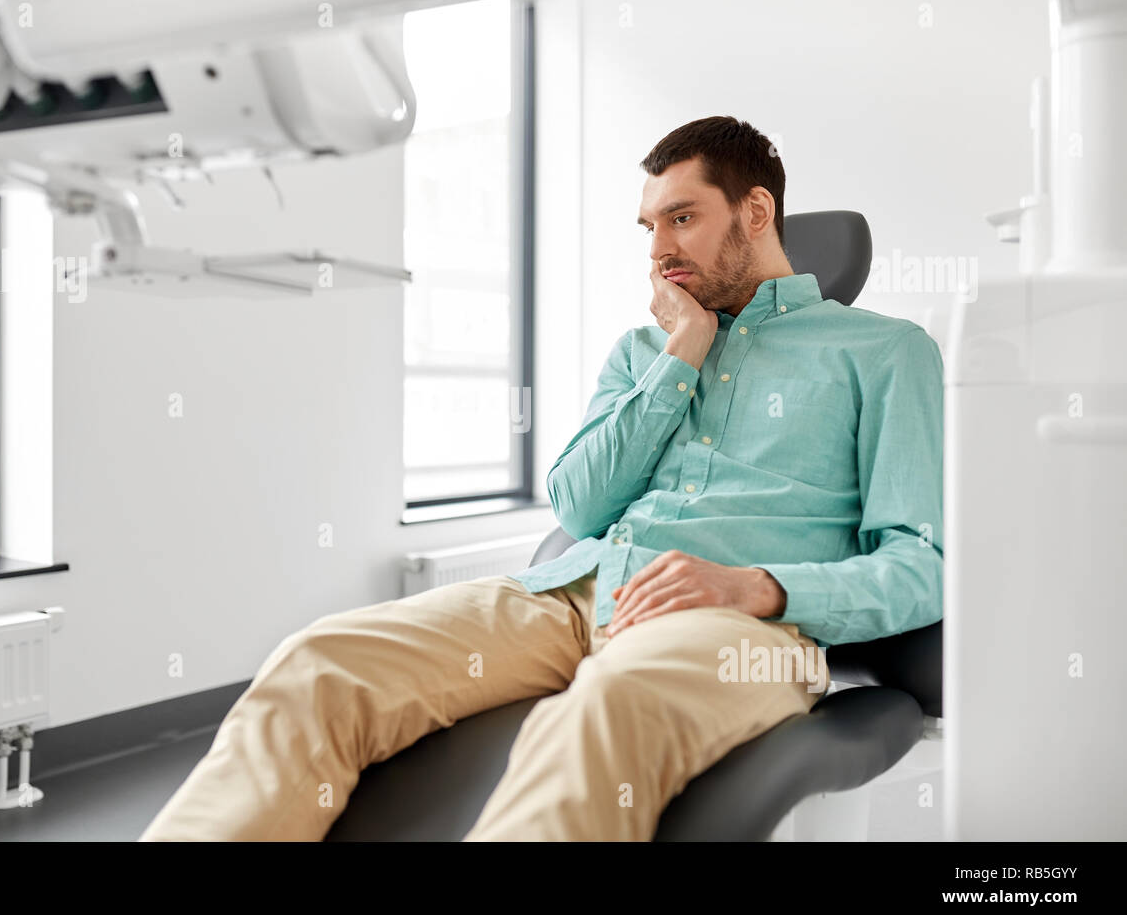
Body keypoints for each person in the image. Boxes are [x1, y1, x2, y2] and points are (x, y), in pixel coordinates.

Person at [139, 115, 944, 841]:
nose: (659, 247)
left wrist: (753, 588)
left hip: (741, 632)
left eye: (683, 217)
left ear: (757, 213)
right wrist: (683, 353)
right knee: (319, 662)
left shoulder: (883, 353)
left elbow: (919, 566)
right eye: (649, 225)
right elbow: (581, 503)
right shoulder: (647, 349)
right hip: (572, 593)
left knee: (602, 711)